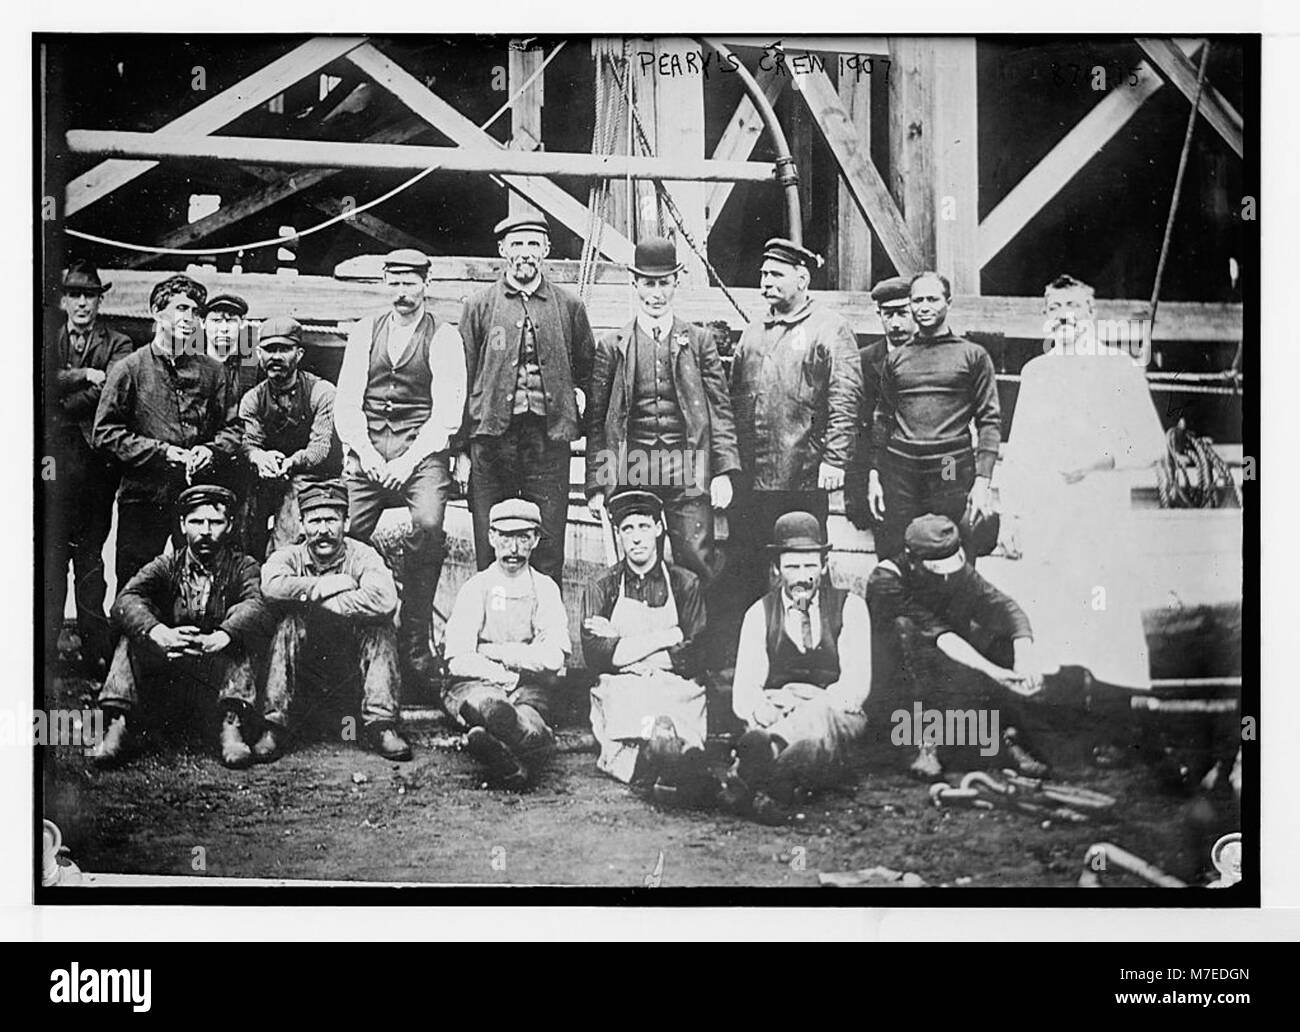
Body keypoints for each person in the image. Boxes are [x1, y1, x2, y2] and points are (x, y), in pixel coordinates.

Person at [995, 273, 1167, 691]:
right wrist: (1012, 516)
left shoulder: (1118, 367)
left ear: (1091, 313)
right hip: (1049, 520)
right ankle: (1064, 729)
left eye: (1072, 307)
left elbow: (1152, 444)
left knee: (1106, 619)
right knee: (1055, 620)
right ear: (1044, 316)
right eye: (1054, 308)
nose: (1063, 316)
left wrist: (1097, 461)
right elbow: (1018, 451)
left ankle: (1116, 729)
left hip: (1100, 518)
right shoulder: (1036, 372)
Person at [333, 248, 466, 684]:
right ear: (384, 283)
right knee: (343, 530)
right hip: (370, 449)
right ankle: (345, 637)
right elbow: (347, 403)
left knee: (428, 525)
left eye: (411, 282)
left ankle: (414, 645)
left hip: (420, 450)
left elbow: (447, 413)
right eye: (395, 281)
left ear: (426, 285)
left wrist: (406, 462)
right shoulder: (364, 333)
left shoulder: (443, 336)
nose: (402, 291)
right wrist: (368, 456)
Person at [585, 237, 740, 591]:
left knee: (696, 561)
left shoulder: (700, 342)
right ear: (635, 283)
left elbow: (720, 410)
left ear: (676, 283)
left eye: (663, 283)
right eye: (648, 284)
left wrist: (724, 472)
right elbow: (598, 422)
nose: (656, 293)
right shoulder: (613, 346)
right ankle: (645, 643)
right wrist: (597, 483)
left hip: (687, 466)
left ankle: (698, 646)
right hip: (634, 468)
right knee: (638, 564)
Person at [89, 486, 273, 769]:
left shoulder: (243, 566)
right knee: (134, 631)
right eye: (197, 522)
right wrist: (157, 632)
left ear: (230, 525)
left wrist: (224, 634)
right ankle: (117, 724)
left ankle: (231, 725)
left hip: (218, 675)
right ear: (182, 524)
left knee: (243, 631)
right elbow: (125, 599)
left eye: (216, 522)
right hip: (171, 671)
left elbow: (257, 603)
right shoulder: (166, 565)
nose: (206, 531)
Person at [459, 214, 596, 585]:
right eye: (517, 244)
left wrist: (577, 399)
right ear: (502, 250)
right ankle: (489, 631)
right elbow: (464, 378)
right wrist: (461, 452)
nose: (525, 253)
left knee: (548, 542)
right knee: (490, 542)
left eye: (533, 244)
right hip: (491, 442)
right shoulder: (479, 306)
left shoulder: (570, 307)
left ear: (546, 250)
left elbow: (588, 369)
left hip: (547, 442)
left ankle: (546, 634)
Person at [729, 238, 863, 608]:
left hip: (801, 477)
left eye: (775, 274)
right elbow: (733, 396)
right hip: (752, 479)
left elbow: (845, 396)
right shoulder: (754, 331)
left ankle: (811, 650)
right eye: (762, 275)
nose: (765, 283)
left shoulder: (830, 328)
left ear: (802, 278)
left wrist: (835, 458)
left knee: (803, 567)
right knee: (748, 568)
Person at [865, 514, 1049, 780]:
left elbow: (1003, 607)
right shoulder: (885, 580)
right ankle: (922, 743)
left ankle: (1009, 738)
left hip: (945, 666)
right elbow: (939, 635)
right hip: (900, 684)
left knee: (1000, 637)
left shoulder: (956, 571)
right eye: (938, 569)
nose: (948, 576)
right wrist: (995, 672)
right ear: (914, 560)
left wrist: (1024, 655)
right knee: (905, 629)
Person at [92, 273, 242, 587]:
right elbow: (105, 434)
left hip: (196, 501)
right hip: (144, 498)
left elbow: (232, 429)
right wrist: (162, 452)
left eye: (196, 312)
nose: (190, 318)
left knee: (199, 584)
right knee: (136, 584)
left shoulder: (213, 371)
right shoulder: (129, 369)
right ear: (157, 313)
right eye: (181, 309)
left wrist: (210, 450)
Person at [727, 511, 872, 823]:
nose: (802, 576)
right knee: (806, 746)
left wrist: (803, 708)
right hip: (777, 711)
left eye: (810, 565)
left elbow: (855, 690)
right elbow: (744, 695)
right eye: (792, 566)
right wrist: (766, 711)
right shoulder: (759, 614)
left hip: (837, 717)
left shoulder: (852, 607)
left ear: (823, 565)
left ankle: (752, 770)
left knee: (818, 722)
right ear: (777, 569)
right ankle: (777, 786)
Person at [258, 481, 411, 762]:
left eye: (331, 520)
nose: (323, 529)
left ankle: (382, 725)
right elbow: (271, 586)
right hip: (306, 674)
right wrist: (325, 586)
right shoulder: (289, 555)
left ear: (347, 522)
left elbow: (385, 598)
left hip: (350, 671)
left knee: (380, 628)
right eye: (315, 521)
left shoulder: (363, 555)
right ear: (302, 525)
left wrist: (325, 606)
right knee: (289, 624)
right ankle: (273, 725)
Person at [581, 489, 713, 805]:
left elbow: (695, 654)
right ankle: (657, 768)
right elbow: (597, 656)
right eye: (627, 529)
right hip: (624, 685)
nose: (636, 538)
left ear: (658, 528)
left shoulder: (685, 583)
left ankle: (671, 761)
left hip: (672, 686)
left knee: (674, 714)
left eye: (643, 526)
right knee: (627, 713)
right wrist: (668, 636)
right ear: (618, 534)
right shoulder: (602, 586)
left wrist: (624, 648)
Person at [867, 271, 1001, 560]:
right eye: (917, 300)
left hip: (948, 464)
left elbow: (989, 420)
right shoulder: (897, 358)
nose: (924, 306)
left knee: (950, 543)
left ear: (948, 302)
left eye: (932, 299)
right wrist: (874, 474)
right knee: (899, 550)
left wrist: (982, 480)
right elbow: (882, 418)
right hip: (901, 468)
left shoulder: (972, 355)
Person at [43, 260, 133, 675]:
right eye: (75, 294)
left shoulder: (119, 344)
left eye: (90, 295)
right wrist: (81, 374)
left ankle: (95, 652)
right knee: (52, 555)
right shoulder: (45, 338)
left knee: (91, 559)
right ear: (63, 300)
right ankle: (44, 648)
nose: (82, 302)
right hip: (52, 470)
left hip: (97, 472)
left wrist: (58, 404)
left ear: (100, 300)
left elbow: (109, 394)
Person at [442, 499, 570, 789]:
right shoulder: (477, 587)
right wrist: (507, 674)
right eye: (505, 537)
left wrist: (494, 652)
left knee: (529, 712)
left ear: (536, 539)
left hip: (529, 685)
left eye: (523, 537)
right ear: (491, 538)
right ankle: (519, 738)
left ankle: (506, 750)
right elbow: (459, 658)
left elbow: (553, 658)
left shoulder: (545, 588)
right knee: (488, 703)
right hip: (477, 681)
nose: (513, 549)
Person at [239, 315, 342, 559]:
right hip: (268, 478)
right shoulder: (252, 398)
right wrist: (259, 457)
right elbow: (249, 442)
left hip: (313, 480)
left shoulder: (322, 392)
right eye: (269, 349)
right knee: (244, 521)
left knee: (286, 539)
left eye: (284, 349)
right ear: (258, 353)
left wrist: (290, 462)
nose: (275, 357)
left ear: (299, 354)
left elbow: (319, 450)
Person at [845, 276, 915, 537]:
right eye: (888, 314)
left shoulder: (934, 356)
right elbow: (855, 425)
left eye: (902, 313)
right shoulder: (863, 361)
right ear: (879, 315)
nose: (895, 323)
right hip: (877, 474)